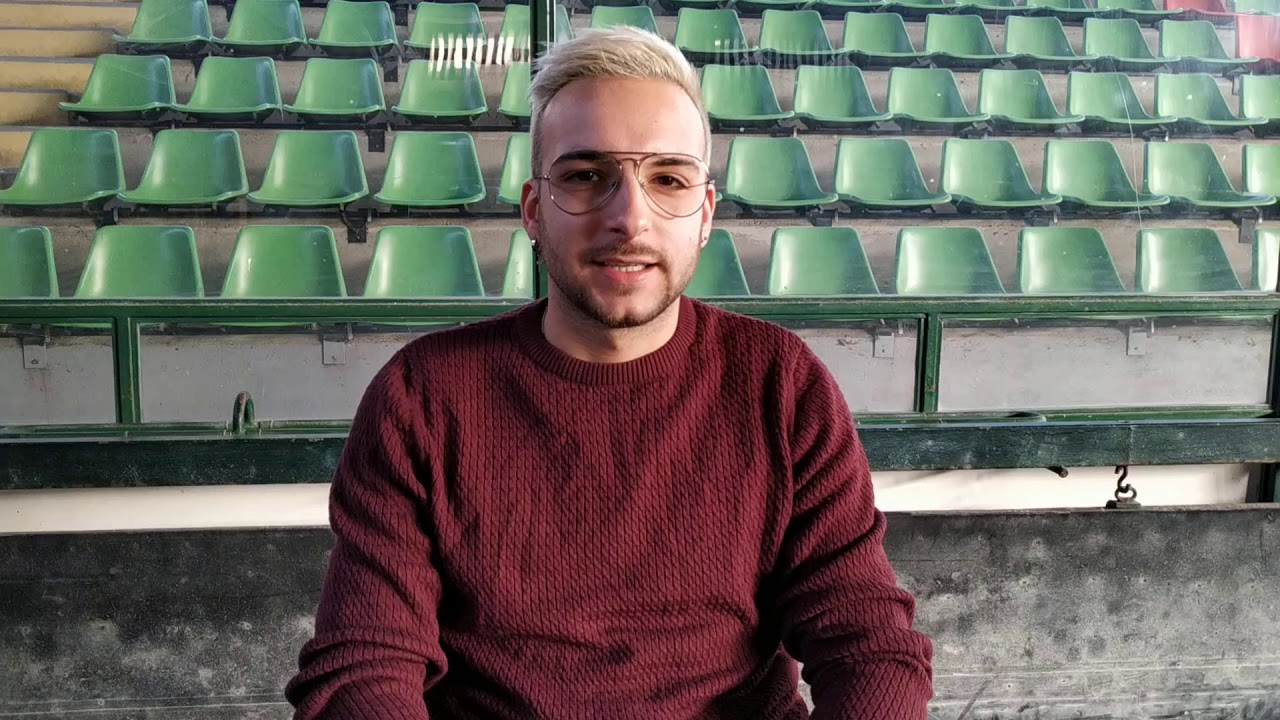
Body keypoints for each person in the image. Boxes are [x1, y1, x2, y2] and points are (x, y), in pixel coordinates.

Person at [285, 26, 933, 719]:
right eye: (586, 176)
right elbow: (364, 670)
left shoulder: (781, 383)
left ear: (705, 213)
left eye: (669, 179)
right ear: (534, 210)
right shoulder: (422, 396)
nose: (629, 218)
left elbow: (870, 646)